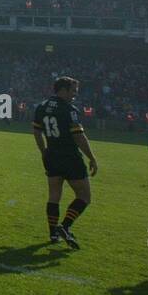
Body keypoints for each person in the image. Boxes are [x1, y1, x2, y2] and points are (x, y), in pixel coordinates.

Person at [32, 76, 98, 248]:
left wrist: (43, 151)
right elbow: (79, 137)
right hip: (70, 157)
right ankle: (65, 226)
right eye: (73, 90)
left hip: (51, 156)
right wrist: (91, 157)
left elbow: (36, 131)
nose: (75, 95)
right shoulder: (69, 109)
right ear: (63, 89)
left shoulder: (41, 106)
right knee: (84, 196)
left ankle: (53, 234)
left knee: (54, 195)